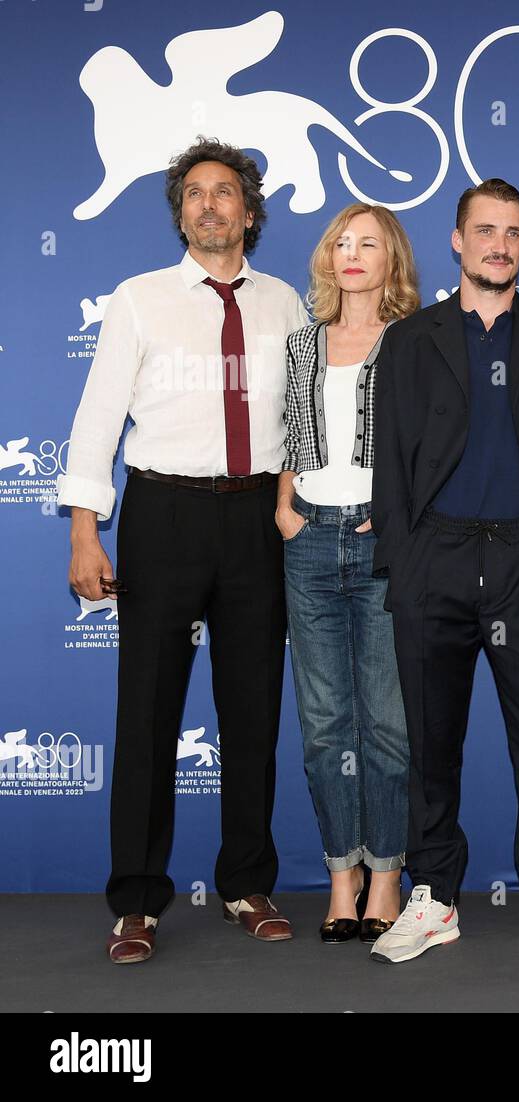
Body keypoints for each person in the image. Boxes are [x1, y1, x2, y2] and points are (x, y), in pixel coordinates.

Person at [59, 137, 309, 964]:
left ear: (249, 211)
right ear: (180, 212)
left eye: (225, 191)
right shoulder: (137, 299)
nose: (210, 204)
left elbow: (303, 424)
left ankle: (246, 882)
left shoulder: (285, 305)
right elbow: (98, 418)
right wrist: (85, 530)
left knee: (252, 712)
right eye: (195, 193)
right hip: (162, 514)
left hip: (255, 523)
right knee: (148, 714)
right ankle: (135, 899)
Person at [368, 179, 519, 963]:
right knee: (430, 742)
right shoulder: (409, 340)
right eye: (485, 230)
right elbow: (391, 463)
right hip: (433, 557)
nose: (499, 244)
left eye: (513, 232)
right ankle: (433, 895)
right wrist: (402, 562)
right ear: (457, 241)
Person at [280, 204, 419, 944]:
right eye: (342, 242)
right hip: (307, 540)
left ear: (391, 259)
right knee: (324, 723)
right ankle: (344, 876)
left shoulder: (413, 343)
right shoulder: (302, 344)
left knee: (388, 724)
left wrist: (396, 512)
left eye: (369, 243)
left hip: (381, 543)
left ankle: (388, 876)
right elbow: (286, 432)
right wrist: (283, 503)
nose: (353, 254)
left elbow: (434, 445)